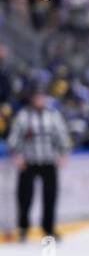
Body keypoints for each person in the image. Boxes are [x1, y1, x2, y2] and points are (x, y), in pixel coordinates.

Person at [8, 87, 73, 242]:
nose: (39, 100)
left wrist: (63, 154)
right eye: (37, 97)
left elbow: (62, 135)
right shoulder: (24, 116)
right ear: (32, 99)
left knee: (50, 196)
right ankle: (23, 228)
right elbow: (14, 137)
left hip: (49, 162)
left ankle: (48, 229)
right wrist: (17, 156)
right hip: (29, 162)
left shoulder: (53, 115)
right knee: (24, 196)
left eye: (42, 97)